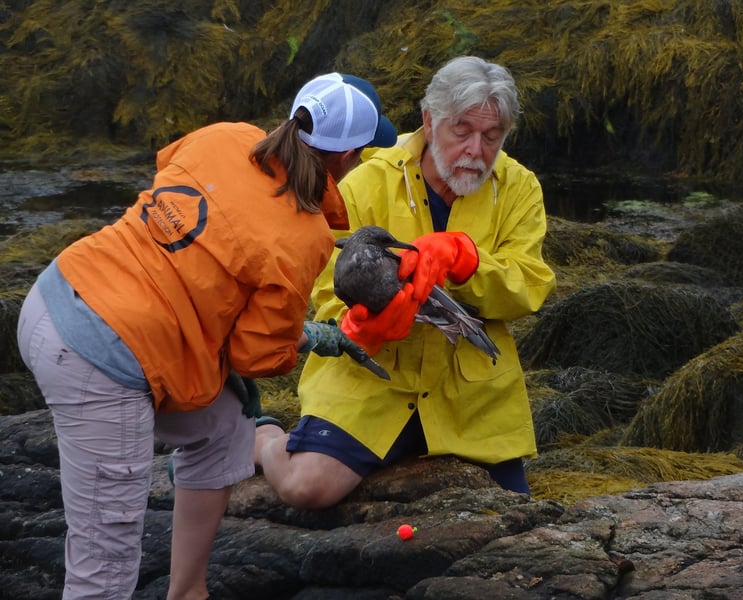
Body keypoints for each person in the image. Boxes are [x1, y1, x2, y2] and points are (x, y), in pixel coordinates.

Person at [16, 71, 397, 600]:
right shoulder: (305, 234)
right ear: (345, 157)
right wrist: (309, 335)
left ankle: (188, 591)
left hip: (54, 293)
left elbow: (167, 168)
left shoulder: (226, 134)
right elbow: (257, 353)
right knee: (104, 565)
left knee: (225, 423)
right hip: (101, 359)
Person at [254, 56, 557, 509]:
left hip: (472, 401)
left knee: (516, 514)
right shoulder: (364, 181)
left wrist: (467, 261)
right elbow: (320, 290)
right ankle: (261, 436)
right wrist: (361, 324)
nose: (476, 149)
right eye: (462, 131)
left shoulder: (519, 188)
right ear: (430, 122)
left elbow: (529, 286)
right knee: (306, 489)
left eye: (492, 136)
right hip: (371, 385)